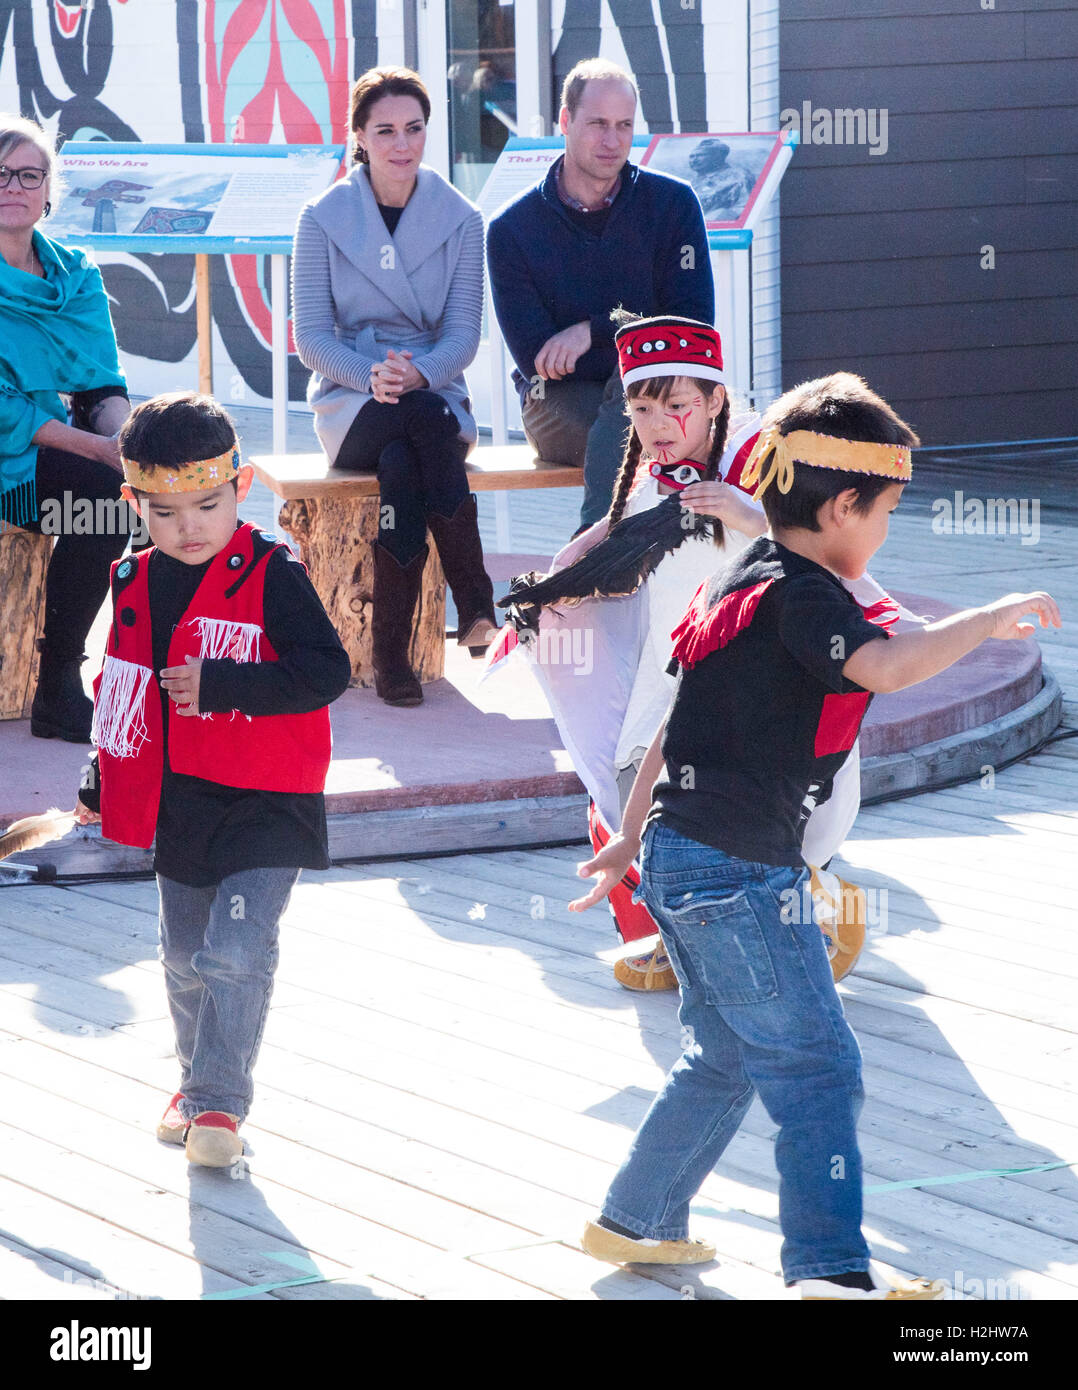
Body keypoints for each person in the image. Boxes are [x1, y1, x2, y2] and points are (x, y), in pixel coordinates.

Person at [568, 371, 1061, 1298]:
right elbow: (886, 665)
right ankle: (830, 1273)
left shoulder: (739, 579)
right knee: (819, 1068)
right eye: (884, 514)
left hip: (682, 854)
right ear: (841, 508)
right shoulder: (805, 598)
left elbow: (674, 726)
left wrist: (632, 840)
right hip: (737, 872)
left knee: (722, 1054)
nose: (883, 533)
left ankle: (637, 1217)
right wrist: (988, 619)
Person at [496, 319, 912, 992]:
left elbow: (829, 544)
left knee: (763, 822)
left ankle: (817, 907)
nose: (658, 424)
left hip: (767, 683)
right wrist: (566, 573)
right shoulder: (651, 476)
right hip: (674, 677)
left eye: (676, 404)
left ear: (716, 399)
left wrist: (746, 514)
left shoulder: (769, 462)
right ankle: (687, 935)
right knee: (636, 800)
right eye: (641, 408)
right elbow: (623, 532)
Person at [74, 393, 351, 1168]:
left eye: (206, 505)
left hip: (269, 799)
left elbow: (327, 671)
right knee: (182, 956)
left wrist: (224, 684)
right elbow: (124, 685)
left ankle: (218, 1103)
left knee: (233, 950)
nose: (188, 527)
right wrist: (99, 776)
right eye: (165, 513)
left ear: (242, 487)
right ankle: (195, 1087)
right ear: (134, 502)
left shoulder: (272, 570)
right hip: (182, 801)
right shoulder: (131, 577)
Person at [292, 65, 497, 709]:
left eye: (414, 128)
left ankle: (390, 658)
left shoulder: (462, 218)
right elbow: (310, 337)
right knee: (422, 424)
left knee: (406, 459)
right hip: (351, 399)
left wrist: (419, 373)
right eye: (385, 131)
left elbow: (464, 334)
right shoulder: (321, 217)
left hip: (433, 389)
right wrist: (371, 375)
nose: (402, 144)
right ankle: (477, 601)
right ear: (358, 135)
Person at [486, 59, 713, 533]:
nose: (612, 141)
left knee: (634, 391)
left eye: (624, 125)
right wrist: (637, 339)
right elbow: (539, 361)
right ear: (565, 121)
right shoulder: (512, 229)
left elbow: (693, 325)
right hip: (556, 404)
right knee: (635, 396)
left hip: (658, 396)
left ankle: (595, 548)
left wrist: (594, 331)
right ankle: (604, 547)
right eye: (598, 124)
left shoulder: (673, 205)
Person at [0, 113, 131, 742]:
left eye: (29, 175)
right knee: (100, 495)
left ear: (49, 190)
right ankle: (58, 681)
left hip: (48, 453)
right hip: (12, 464)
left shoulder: (75, 274)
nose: (14, 186)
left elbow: (101, 382)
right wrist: (97, 450)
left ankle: (74, 675)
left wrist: (125, 442)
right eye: (0, 174)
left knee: (128, 499)